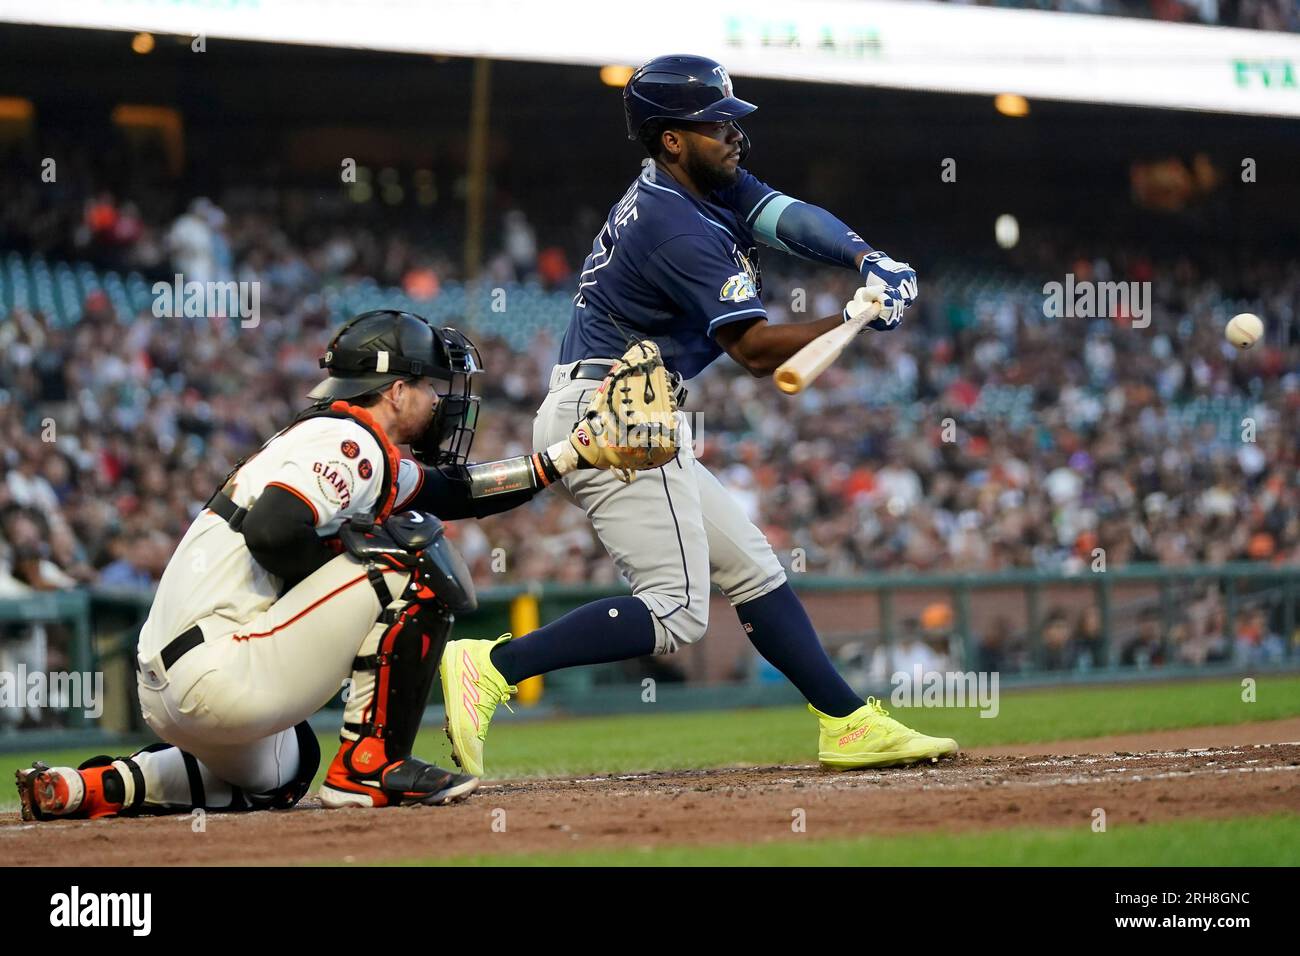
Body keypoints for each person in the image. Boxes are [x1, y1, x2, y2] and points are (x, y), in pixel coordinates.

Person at [442, 54, 957, 776]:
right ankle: (495, 664)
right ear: (672, 139)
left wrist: (866, 258)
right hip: (610, 415)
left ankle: (846, 723)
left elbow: (783, 215)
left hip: (625, 403)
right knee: (677, 610)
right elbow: (751, 351)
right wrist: (853, 318)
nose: (734, 134)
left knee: (752, 568)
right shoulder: (676, 225)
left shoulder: (697, 187)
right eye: (716, 124)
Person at [15, 310, 632, 820]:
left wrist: (568, 456)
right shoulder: (349, 441)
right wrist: (352, 556)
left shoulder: (341, 440)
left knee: (287, 769)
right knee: (413, 554)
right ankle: (369, 765)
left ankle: (96, 787)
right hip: (220, 664)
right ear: (395, 391)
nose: (440, 401)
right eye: (428, 386)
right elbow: (274, 530)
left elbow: (456, 490)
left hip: (180, 684)